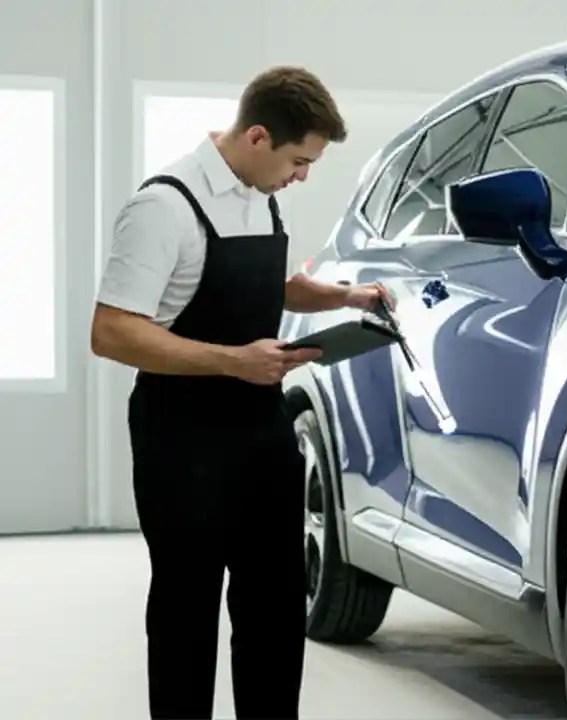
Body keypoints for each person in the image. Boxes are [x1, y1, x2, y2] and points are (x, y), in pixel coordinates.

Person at [90, 66, 388, 719]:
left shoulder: (262, 191)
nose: (301, 176)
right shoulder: (163, 206)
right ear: (257, 137)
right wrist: (232, 361)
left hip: (261, 426)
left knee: (275, 605)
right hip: (180, 435)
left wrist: (347, 298)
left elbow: (275, 284)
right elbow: (111, 332)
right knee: (187, 608)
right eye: (299, 161)